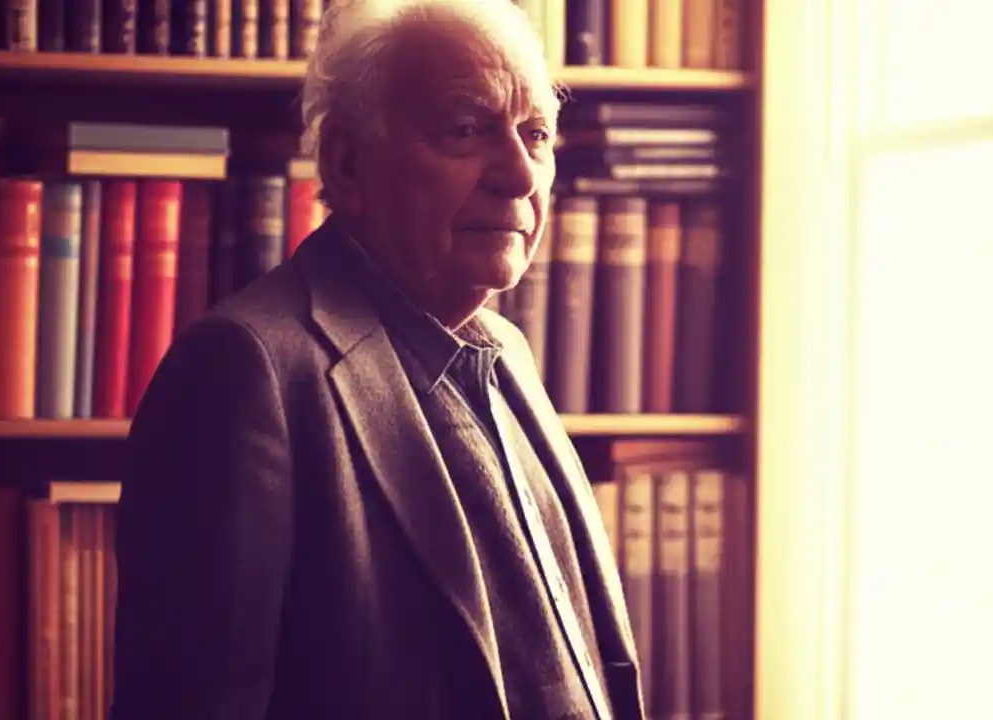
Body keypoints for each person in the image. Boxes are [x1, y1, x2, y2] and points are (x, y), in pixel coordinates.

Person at [108, 0, 643, 718]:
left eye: (536, 134)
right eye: (465, 130)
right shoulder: (244, 371)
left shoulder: (506, 352)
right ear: (349, 165)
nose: (520, 175)